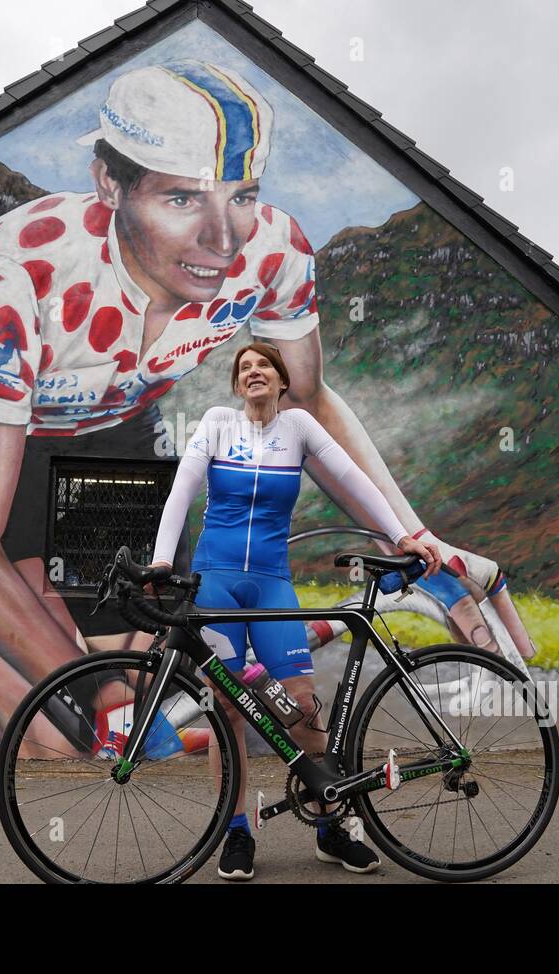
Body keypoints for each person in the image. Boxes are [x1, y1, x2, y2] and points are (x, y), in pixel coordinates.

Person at [0, 57, 534, 751]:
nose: (223, 239)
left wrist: (414, 541)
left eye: (241, 196)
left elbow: (308, 400)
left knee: (141, 691)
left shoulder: (271, 250)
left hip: (106, 431)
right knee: (60, 735)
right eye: (183, 199)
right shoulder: (10, 286)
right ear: (108, 184)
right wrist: (91, 697)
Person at [150, 342, 439, 879]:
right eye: (244, 369)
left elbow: (355, 479)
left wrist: (406, 535)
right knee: (228, 709)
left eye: (264, 366)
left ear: (281, 381)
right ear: (238, 386)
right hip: (217, 585)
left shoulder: (300, 427)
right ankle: (235, 833)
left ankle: (329, 824)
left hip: (271, 584)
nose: (253, 372)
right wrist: (163, 561)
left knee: (302, 705)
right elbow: (182, 490)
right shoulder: (216, 422)